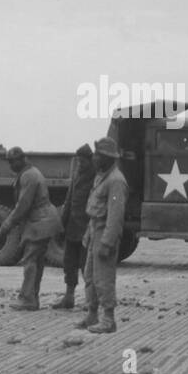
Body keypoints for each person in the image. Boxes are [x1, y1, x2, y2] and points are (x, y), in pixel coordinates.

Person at [0, 147, 61, 311]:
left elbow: (22, 206)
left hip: (41, 222)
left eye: (12, 162)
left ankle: (27, 299)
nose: (10, 165)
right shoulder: (29, 172)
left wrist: (6, 226)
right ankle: (32, 298)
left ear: (21, 159)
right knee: (36, 260)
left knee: (30, 259)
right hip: (42, 220)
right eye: (9, 162)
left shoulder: (29, 176)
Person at [76, 137, 127, 334]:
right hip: (94, 229)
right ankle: (92, 313)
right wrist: (89, 234)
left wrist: (107, 242)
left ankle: (108, 318)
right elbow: (94, 208)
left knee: (103, 277)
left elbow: (115, 216)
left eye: (98, 155)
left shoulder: (116, 181)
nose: (94, 158)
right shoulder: (101, 176)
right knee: (89, 275)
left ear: (108, 158)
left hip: (105, 231)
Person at [51, 144, 95, 309]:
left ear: (89, 160)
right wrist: (62, 225)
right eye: (78, 160)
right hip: (72, 228)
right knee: (69, 264)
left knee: (86, 267)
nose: (80, 164)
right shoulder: (77, 175)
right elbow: (69, 201)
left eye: (82, 161)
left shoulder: (96, 177)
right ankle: (68, 297)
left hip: (86, 230)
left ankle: (90, 300)